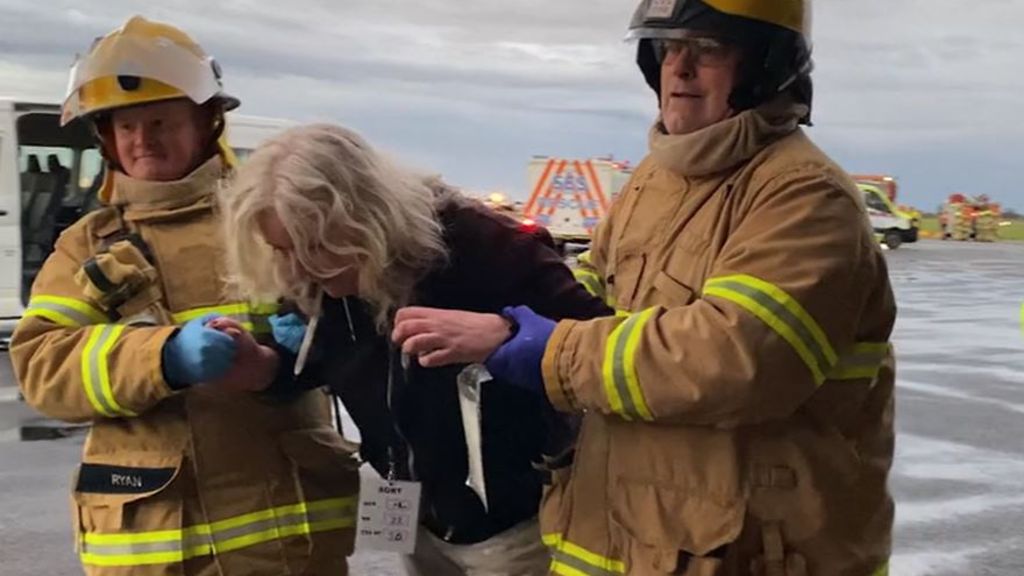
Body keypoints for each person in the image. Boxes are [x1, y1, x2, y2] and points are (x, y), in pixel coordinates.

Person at [392, 1, 897, 574]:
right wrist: (499, 298)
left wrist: (546, 350)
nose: (679, 68)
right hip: (625, 538)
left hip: (747, 552)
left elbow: (731, 359)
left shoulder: (803, 197)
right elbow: (592, 291)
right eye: (668, 48)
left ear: (767, 65)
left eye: (708, 49)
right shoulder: (655, 180)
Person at [10, 16, 358, 576]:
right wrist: (162, 357)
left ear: (206, 123)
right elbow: (43, 368)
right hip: (155, 546)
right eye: (126, 125)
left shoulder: (268, 221)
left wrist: (294, 357)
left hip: (290, 541)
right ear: (106, 138)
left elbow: (358, 328)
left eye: (161, 121)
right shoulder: (86, 247)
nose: (142, 139)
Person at [215, 123, 611, 576]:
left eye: (317, 246)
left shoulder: (488, 248)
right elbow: (318, 361)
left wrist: (507, 336)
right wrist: (263, 366)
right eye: (281, 249)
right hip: (408, 515)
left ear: (368, 217)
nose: (299, 268)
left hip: (516, 526)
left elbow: (598, 343)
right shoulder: (319, 279)